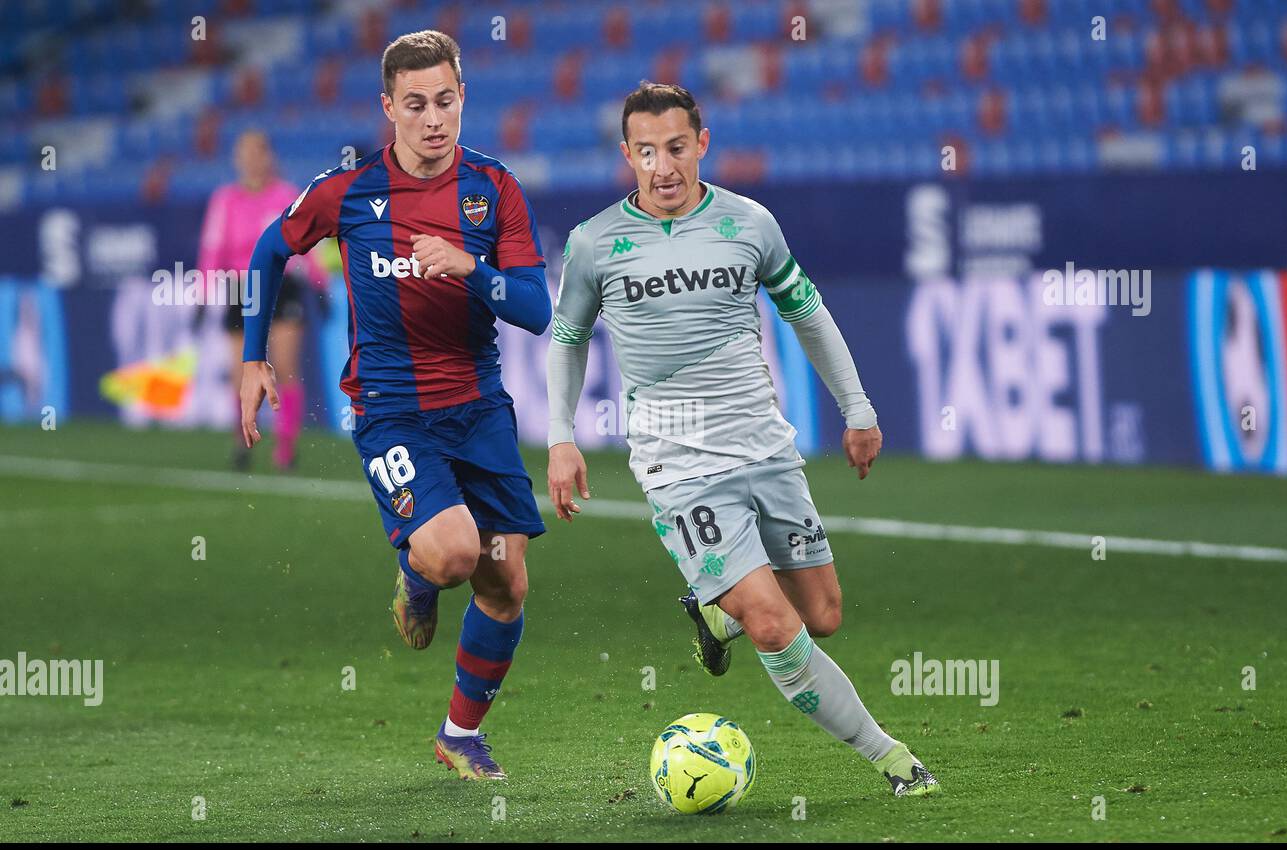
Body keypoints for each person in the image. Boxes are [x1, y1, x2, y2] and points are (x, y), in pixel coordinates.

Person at [546, 82, 939, 797]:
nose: (662, 167)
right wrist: (559, 437)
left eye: (675, 147)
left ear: (702, 142)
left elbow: (808, 316)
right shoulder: (595, 242)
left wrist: (858, 409)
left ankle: (712, 614)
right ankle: (894, 759)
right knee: (773, 621)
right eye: (645, 152)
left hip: (764, 447)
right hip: (678, 466)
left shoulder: (749, 223)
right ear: (626, 155)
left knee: (824, 614)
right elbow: (567, 339)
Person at [239, 31, 551, 780]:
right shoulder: (349, 189)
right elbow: (268, 250)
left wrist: (471, 268)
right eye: (416, 104)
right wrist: (254, 355)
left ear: (462, 96)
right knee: (453, 553)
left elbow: (537, 309)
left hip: (479, 407)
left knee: (507, 583)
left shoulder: (494, 189)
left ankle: (458, 734)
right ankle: (418, 570)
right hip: (390, 407)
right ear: (388, 108)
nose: (434, 119)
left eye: (446, 100)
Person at [197, 129, 325, 470]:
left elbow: (306, 243)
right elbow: (212, 251)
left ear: (268, 156)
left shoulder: (285, 195)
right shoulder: (225, 200)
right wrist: (203, 295)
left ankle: (285, 447)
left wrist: (319, 284)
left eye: (258, 153)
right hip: (241, 288)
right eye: (246, 154)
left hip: (282, 286)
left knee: (285, 368)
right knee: (242, 372)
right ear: (237, 160)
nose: (252, 160)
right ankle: (243, 439)